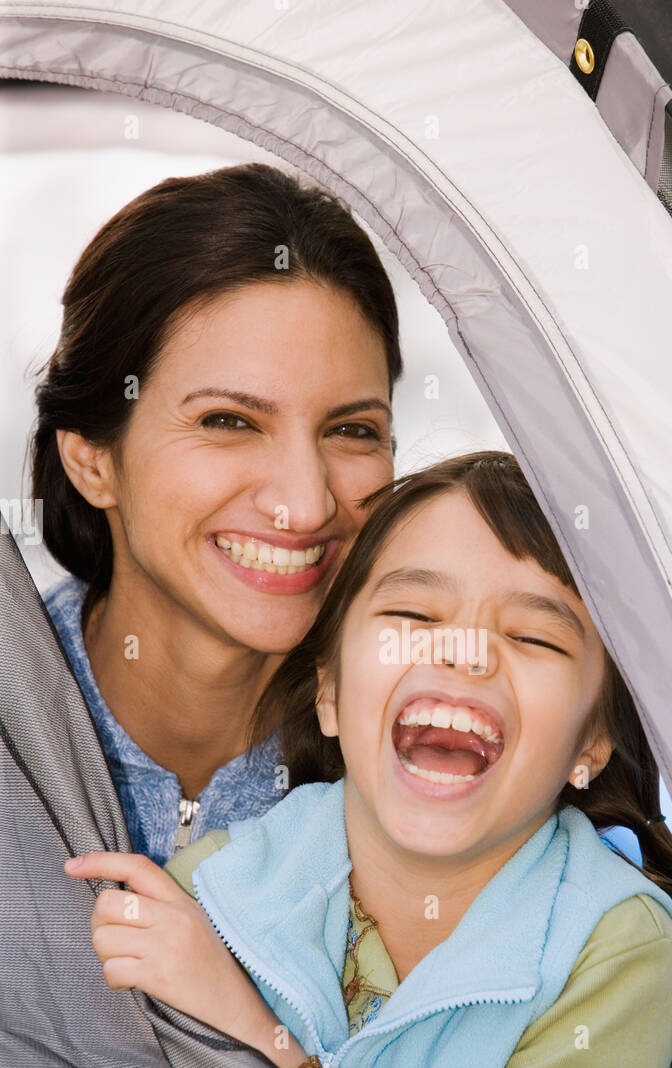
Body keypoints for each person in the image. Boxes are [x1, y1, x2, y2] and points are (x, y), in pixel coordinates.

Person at [65, 452, 672, 1068]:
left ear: (592, 745)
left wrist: (260, 1038)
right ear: (328, 690)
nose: (469, 654)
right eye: (413, 613)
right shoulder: (221, 887)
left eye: (534, 635)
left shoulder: (617, 947)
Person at [33, 162, 400, 863]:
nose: (305, 504)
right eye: (229, 421)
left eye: (351, 430)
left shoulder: (436, 748)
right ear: (91, 458)